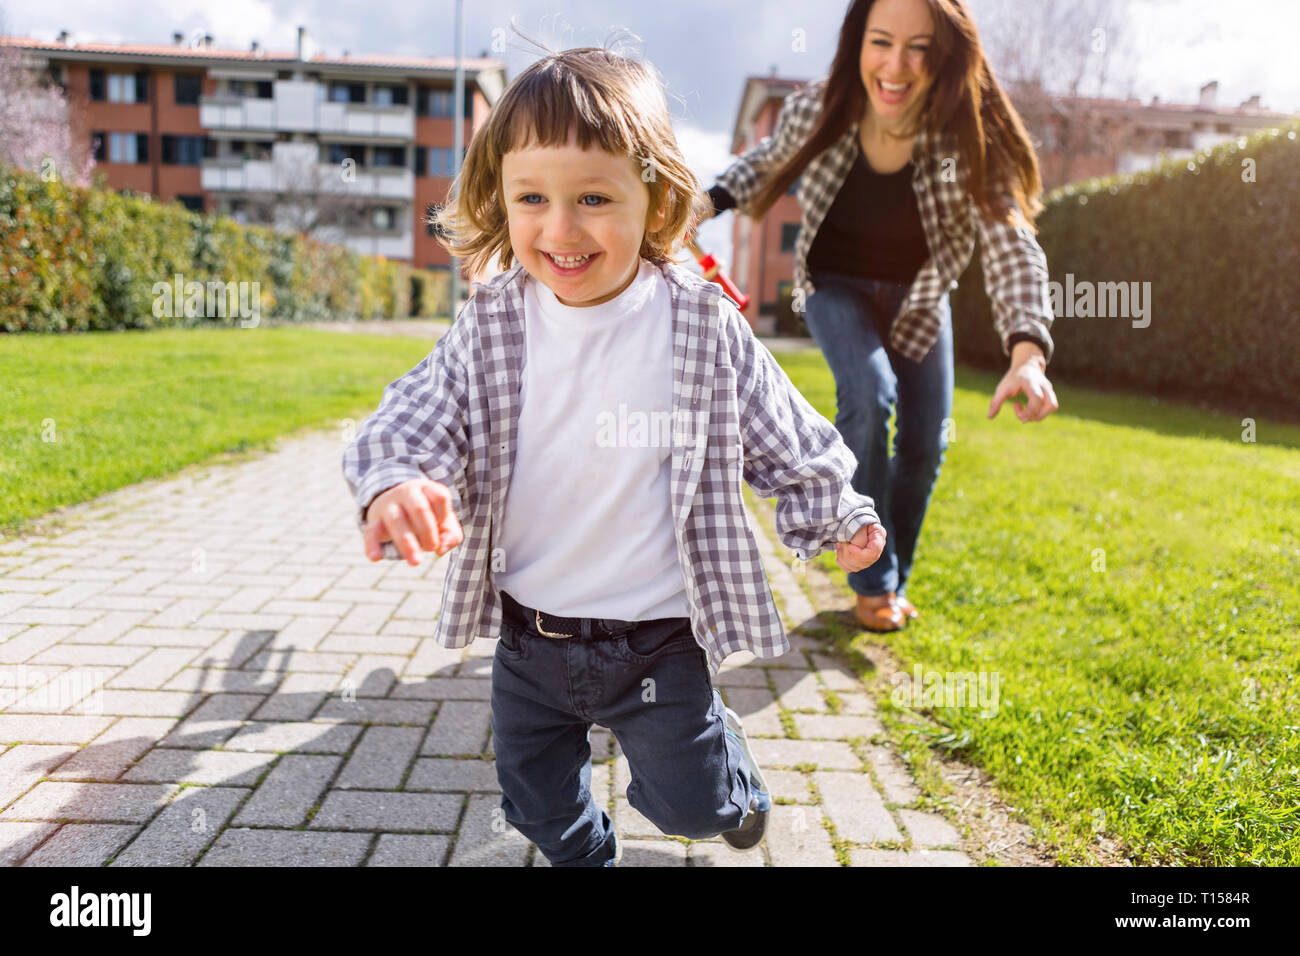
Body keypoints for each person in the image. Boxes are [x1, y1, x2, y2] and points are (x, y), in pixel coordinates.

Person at [341, 46, 888, 867]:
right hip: (530, 639)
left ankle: (725, 775)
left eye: (593, 197)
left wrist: (839, 513)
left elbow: (787, 434)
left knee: (694, 809)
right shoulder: (493, 322)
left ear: (658, 198)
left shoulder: (699, 324)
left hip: (659, 642)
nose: (560, 229)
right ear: (502, 199)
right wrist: (396, 480)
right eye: (532, 198)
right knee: (535, 806)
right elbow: (413, 410)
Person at [706, 0, 1060, 633]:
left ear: (945, 55)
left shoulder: (966, 134)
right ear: (858, 43)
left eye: (919, 48)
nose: (896, 66)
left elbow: (1010, 240)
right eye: (881, 42)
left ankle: (891, 572)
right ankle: (873, 584)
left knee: (925, 442)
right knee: (868, 395)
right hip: (833, 286)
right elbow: (762, 164)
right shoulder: (821, 107)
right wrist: (699, 206)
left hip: (921, 297)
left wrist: (1027, 351)